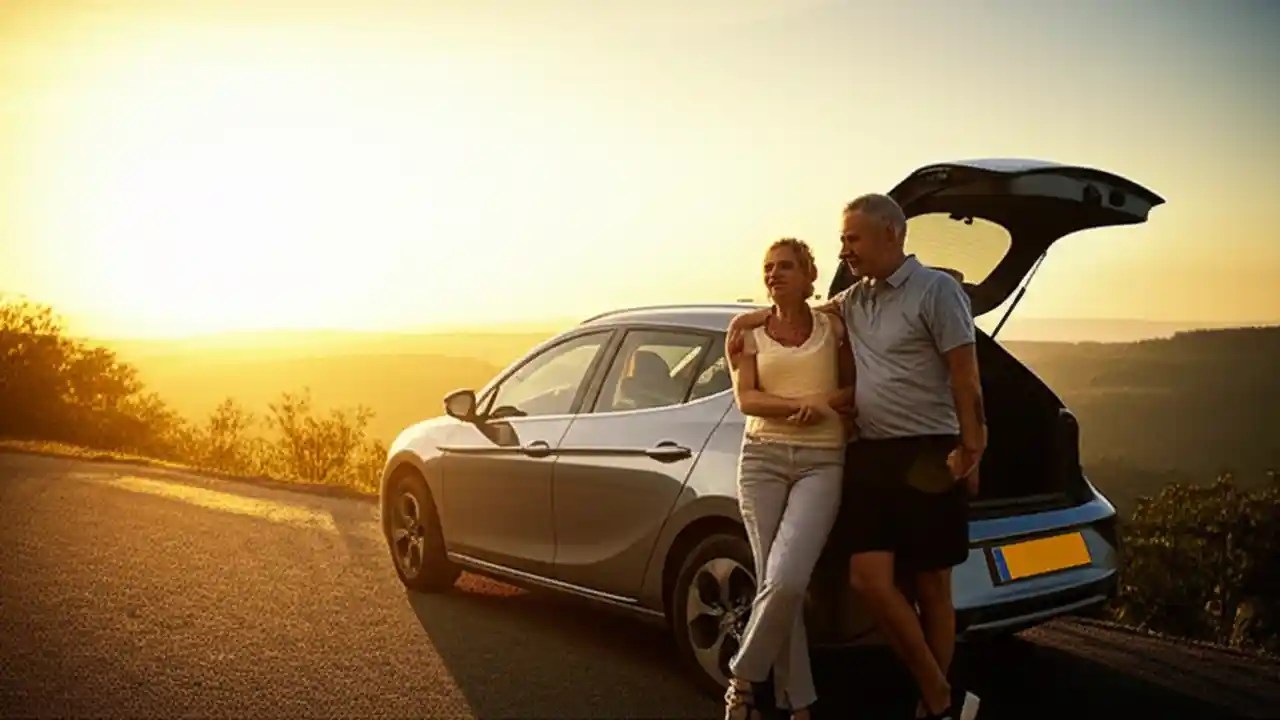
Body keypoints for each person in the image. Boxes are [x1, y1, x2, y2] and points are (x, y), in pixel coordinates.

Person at [729, 195, 985, 720]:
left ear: (892, 235)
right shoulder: (854, 300)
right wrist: (750, 317)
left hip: (930, 451)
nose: (845, 250)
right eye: (843, 241)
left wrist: (973, 447)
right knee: (867, 579)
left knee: (933, 584)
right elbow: (802, 314)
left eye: (854, 239)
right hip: (868, 453)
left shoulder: (937, 291)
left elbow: (966, 375)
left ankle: (931, 701)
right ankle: (941, 696)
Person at [723, 238, 856, 720]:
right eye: (768, 267)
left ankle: (741, 678)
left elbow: (852, 389)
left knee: (787, 579)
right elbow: (747, 400)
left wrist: (824, 405)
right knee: (775, 583)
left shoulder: (832, 327)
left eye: (785, 266)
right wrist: (802, 406)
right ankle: (798, 704)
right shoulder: (745, 331)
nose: (774, 274)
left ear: (807, 276)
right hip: (762, 460)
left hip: (822, 461)